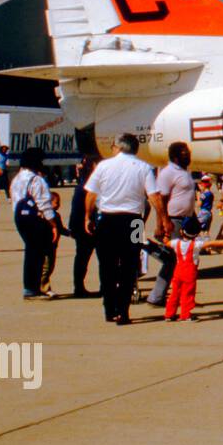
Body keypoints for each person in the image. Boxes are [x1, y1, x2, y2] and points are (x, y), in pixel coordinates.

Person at [85, 133, 167, 325]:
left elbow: (91, 194)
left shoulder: (104, 166)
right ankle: (123, 311)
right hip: (135, 221)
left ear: (119, 147)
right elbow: (154, 196)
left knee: (107, 265)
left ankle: (109, 308)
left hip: (107, 218)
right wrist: (162, 220)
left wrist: (87, 216)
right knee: (131, 266)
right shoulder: (144, 167)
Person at [10, 147, 59, 300]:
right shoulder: (36, 180)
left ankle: (31, 288)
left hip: (20, 218)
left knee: (31, 251)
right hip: (35, 219)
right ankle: (32, 289)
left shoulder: (16, 179)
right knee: (37, 254)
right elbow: (44, 204)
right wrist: (53, 224)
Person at [162, 218, 223, 322]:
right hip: (189, 273)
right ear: (196, 233)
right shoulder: (196, 245)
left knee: (174, 293)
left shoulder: (176, 243)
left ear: (181, 231)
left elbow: (166, 242)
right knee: (188, 293)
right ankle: (185, 315)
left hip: (178, 271)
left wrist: (167, 234)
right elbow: (212, 243)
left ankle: (169, 314)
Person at [68, 158, 99, 296]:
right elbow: (77, 209)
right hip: (86, 227)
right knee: (83, 257)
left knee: (85, 257)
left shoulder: (84, 186)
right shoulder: (86, 187)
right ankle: (79, 287)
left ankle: (80, 287)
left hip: (90, 225)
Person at [156, 142, 198, 238]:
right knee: (176, 246)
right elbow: (161, 200)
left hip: (188, 219)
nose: (188, 156)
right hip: (174, 221)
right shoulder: (168, 172)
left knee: (188, 247)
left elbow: (186, 196)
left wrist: (193, 216)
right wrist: (163, 223)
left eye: (189, 153)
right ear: (176, 157)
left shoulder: (185, 172)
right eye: (185, 154)